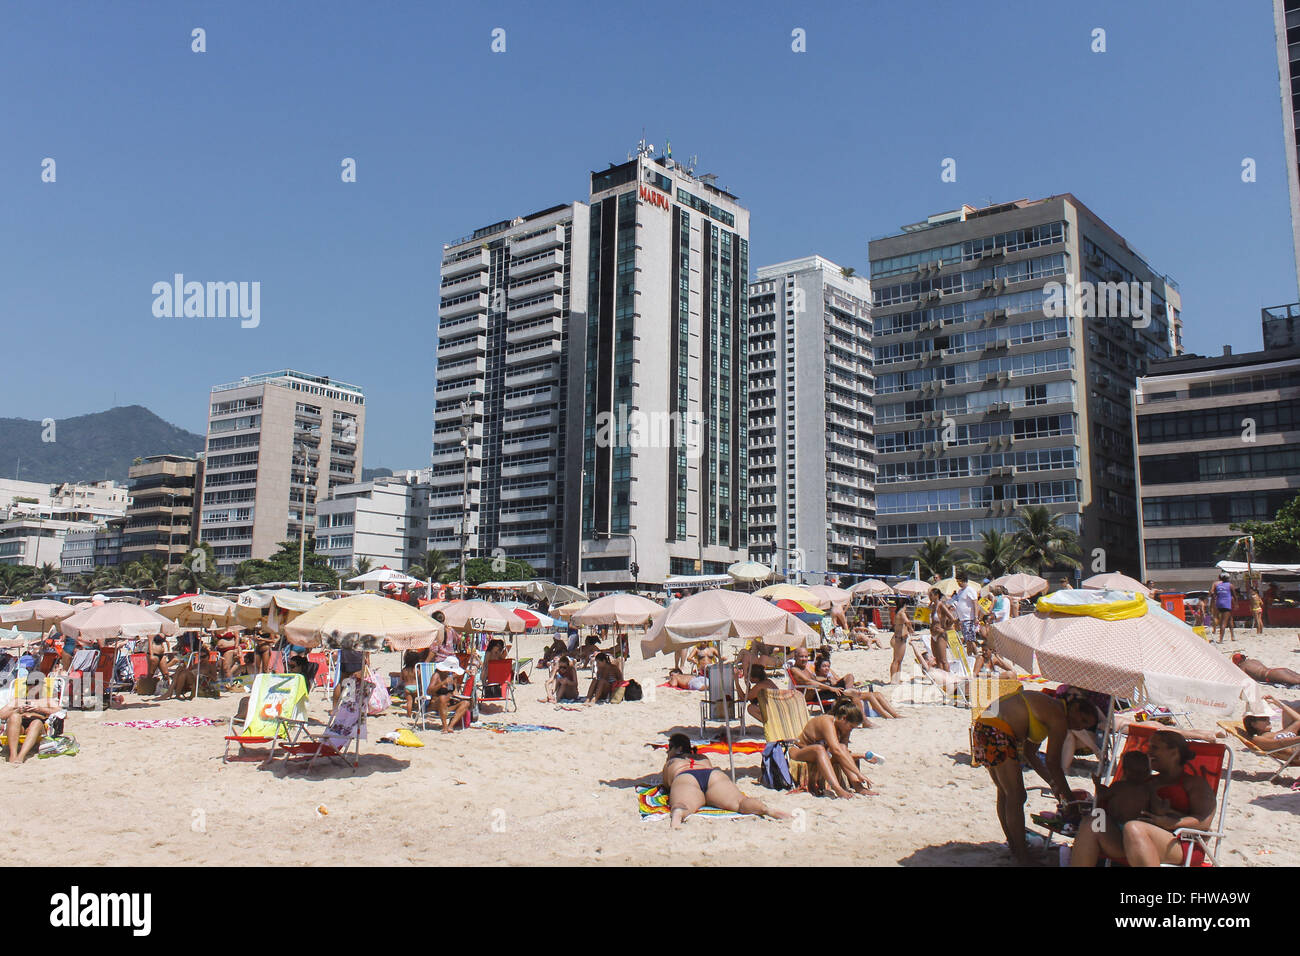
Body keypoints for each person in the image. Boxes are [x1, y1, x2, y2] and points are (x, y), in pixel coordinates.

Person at [971, 687, 1101, 864]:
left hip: (985, 724)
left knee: (1006, 793)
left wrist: (1054, 785)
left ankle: (1016, 847)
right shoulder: (1058, 718)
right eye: (1082, 720)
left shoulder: (1050, 707)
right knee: (1016, 795)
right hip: (996, 728)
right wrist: (1069, 799)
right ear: (1075, 709)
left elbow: (1031, 754)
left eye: (1085, 726)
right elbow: (1053, 763)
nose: (1080, 726)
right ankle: (1022, 855)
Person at [1071, 730, 1216, 867]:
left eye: (1155, 747)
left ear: (1174, 753)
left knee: (1133, 828)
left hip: (1181, 843)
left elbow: (1204, 821)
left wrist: (1171, 822)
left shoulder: (1194, 783)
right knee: (1094, 820)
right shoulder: (1144, 780)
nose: (1148, 751)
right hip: (1130, 838)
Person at [661, 733, 788, 828]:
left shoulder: (671, 762)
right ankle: (767, 810)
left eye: (669, 748)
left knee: (682, 806)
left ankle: (677, 820)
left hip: (686, 777)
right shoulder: (702, 757)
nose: (667, 752)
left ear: (678, 749)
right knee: (740, 802)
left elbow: (668, 785)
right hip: (713, 775)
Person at [795, 698, 878, 797]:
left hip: (823, 755)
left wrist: (863, 756)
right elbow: (835, 750)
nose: (851, 730)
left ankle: (859, 787)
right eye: (851, 726)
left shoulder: (844, 729)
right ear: (843, 718)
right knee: (819, 749)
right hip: (800, 751)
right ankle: (837, 788)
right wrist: (858, 773)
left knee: (842, 747)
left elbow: (843, 753)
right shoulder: (826, 721)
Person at [813, 655, 900, 719]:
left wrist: (854, 684)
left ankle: (894, 714)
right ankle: (885, 715)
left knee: (877, 694)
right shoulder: (816, 676)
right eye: (824, 666)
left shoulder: (829, 674)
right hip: (832, 695)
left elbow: (838, 680)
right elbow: (815, 684)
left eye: (828, 666)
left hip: (840, 692)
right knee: (869, 695)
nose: (827, 668)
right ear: (818, 668)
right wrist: (828, 681)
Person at [1, 675, 65, 764]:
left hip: (38, 728)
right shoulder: (18, 701)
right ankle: (13, 755)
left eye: (36, 684)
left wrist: (39, 709)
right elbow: (1, 715)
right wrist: (17, 710)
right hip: (19, 728)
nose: (32, 687)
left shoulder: (47, 701)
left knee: (37, 722)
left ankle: (21, 756)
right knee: (15, 716)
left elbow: (61, 713)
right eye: (30, 684)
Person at [1091, 751, 1154, 833]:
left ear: (1124, 771)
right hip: (1137, 829)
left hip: (1115, 825)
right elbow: (1157, 807)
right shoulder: (1148, 790)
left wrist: (1098, 784)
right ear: (1148, 772)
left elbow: (1103, 794)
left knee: (1100, 811)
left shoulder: (1118, 786)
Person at [429, 659, 472, 732]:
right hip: (436, 704)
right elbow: (429, 691)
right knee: (442, 698)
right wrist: (443, 683)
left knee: (466, 703)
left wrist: (461, 698)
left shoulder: (451, 677)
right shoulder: (437, 675)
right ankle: (444, 727)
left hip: (448, 705)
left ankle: (450, 726)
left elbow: (454, 692)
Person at [953, 570, 982, 655]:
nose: (958, 583)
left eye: (959, 581)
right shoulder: (960, 591)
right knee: (969, 638)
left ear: (963, 580)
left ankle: (969, 655)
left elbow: (975, 603)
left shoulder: (970, 590)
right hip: (963, 618)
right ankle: (976, 655)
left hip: (969, 618)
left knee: (969, 639)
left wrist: (976, 617)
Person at [1231, 652, 1300, 688]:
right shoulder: (1253, 660)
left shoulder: (1242, 666)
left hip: (1270, 675)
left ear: (1238, 663)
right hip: (1278, 670)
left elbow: (1241, 678)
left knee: (1297, 681)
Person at [927, 588, 955, 671]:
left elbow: (952, 619)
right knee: (937, 659)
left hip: (940, 634)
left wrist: (945, 629)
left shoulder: (941, 605)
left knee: (943, 659)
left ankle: (948, 677)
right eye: (929, 595)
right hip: (933, 634)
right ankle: (942, 677)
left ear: (937, 595)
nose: (929, 597)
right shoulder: (932, 606)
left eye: (931, 595)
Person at [888, 597, 913, 683]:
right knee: (896, 660)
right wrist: (911, 629)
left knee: (898, 660)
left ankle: (896, 678)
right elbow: (908, 622)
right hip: (900, 639)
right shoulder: (902, 613)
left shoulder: (898, 612)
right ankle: (893, 679)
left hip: (898, 638)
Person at [1211, 573, 1235, 643]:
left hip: (1219, 603)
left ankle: (1232, 636)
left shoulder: (1216, 584)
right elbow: (1234, 596)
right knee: (1224, 621)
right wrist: (1236, 604)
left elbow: (1212, 593)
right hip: (1227, 604)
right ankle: (1222, 639)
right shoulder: (1229, 585)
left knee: (1228, 618)